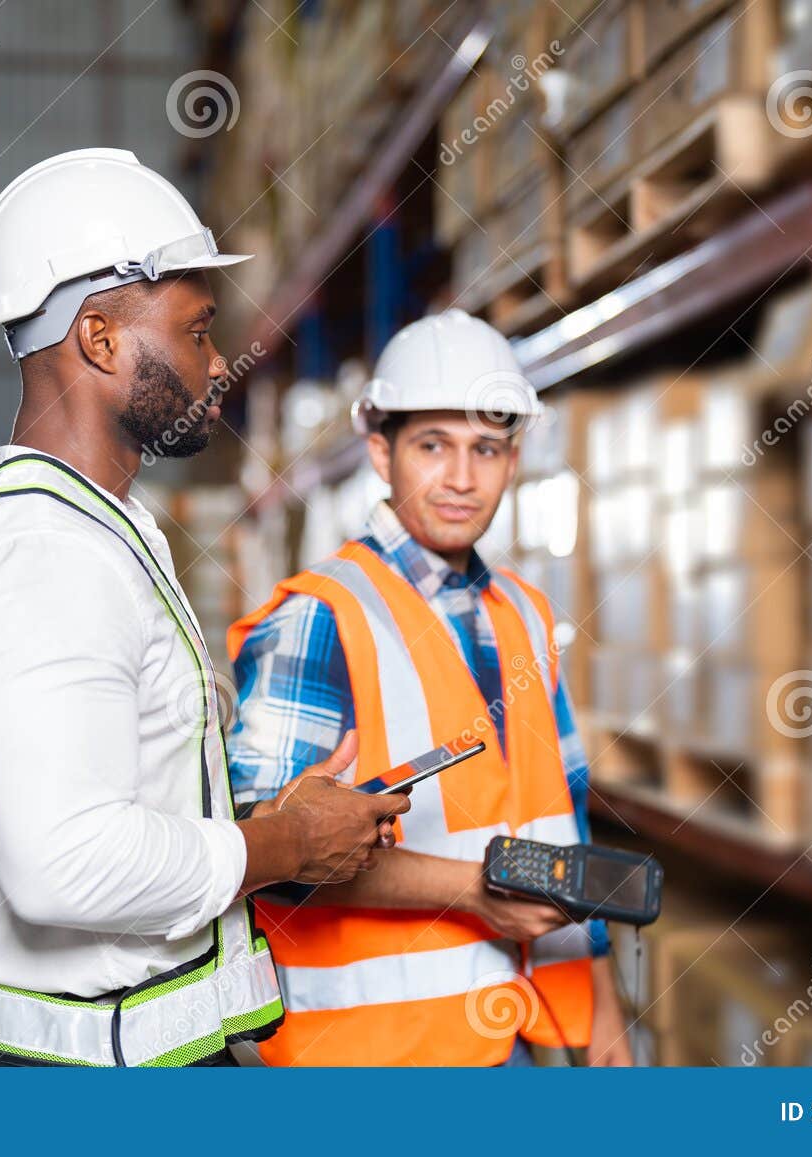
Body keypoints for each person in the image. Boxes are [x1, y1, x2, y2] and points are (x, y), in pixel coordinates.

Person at [0, 148, 407, 1068]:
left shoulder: (101, 530)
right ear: (100, 338)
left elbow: (116, 779)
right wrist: (287, 844)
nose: (220, 364)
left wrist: (253, 812)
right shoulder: (46, 556)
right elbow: (64, 863)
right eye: (196, 331)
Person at [227, 310, 632, 1067]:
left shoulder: (524, 613)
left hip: (515, 1037)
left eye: (486, 448)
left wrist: (602, 1005)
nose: (461, 478)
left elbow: (561, 821)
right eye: (432, 446)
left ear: (514, 458)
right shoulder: (320, 617)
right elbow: (262, 852)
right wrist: (474, 890)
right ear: (381, 451)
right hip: (370, 1061)